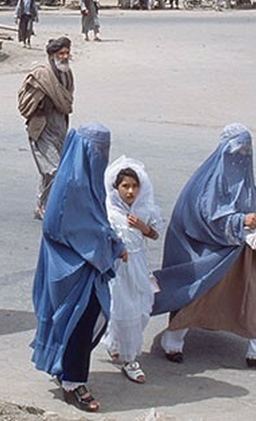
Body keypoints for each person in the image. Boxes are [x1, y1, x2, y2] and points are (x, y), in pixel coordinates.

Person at [152, 124, 256, 370]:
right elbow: (200, 219)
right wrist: (238, 221)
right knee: (197, 293)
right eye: (236, 151)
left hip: (239, 254)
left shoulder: (245, 182)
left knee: (250, 293)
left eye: (246, 152)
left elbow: (255, 204)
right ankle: (173, 338)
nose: (240, 158)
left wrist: (255, 220)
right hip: (206, 255)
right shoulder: (206, 183)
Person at [31, 123, 125, 413]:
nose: (101, 156)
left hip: (87, 264)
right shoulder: (72, 183)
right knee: (80, 321)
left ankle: (67, 371)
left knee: (86, 320)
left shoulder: (88, 180)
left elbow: (94, 221)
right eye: (97, 150)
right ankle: (72, 380)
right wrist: (108, 245)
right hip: (70, 267)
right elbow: (63, 226)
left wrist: (109, 241)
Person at [99, 157, 162, 384]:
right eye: (125, 186)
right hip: (117, 270)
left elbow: (154, 234)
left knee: (142, 309)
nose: (130, 191)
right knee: (122, 311)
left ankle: (118, 344)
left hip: (138, 267)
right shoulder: (109, 213)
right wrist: (116, 248)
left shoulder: (143, 210)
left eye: (134, 186)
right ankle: (130, 359)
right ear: (115, 188)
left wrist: (143, 227)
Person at [17, 37, 75, 219]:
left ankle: (42, 205)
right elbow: (25, 100)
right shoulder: (41, 74)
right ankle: (46, 206)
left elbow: (67, 100)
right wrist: (40, 101)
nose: (64, 56)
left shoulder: (67, 73)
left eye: (67, 53)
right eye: (61, 54)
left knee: (49, 171)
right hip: (41, 128)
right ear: (52, 55)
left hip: (60, 125)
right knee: (53, 169)